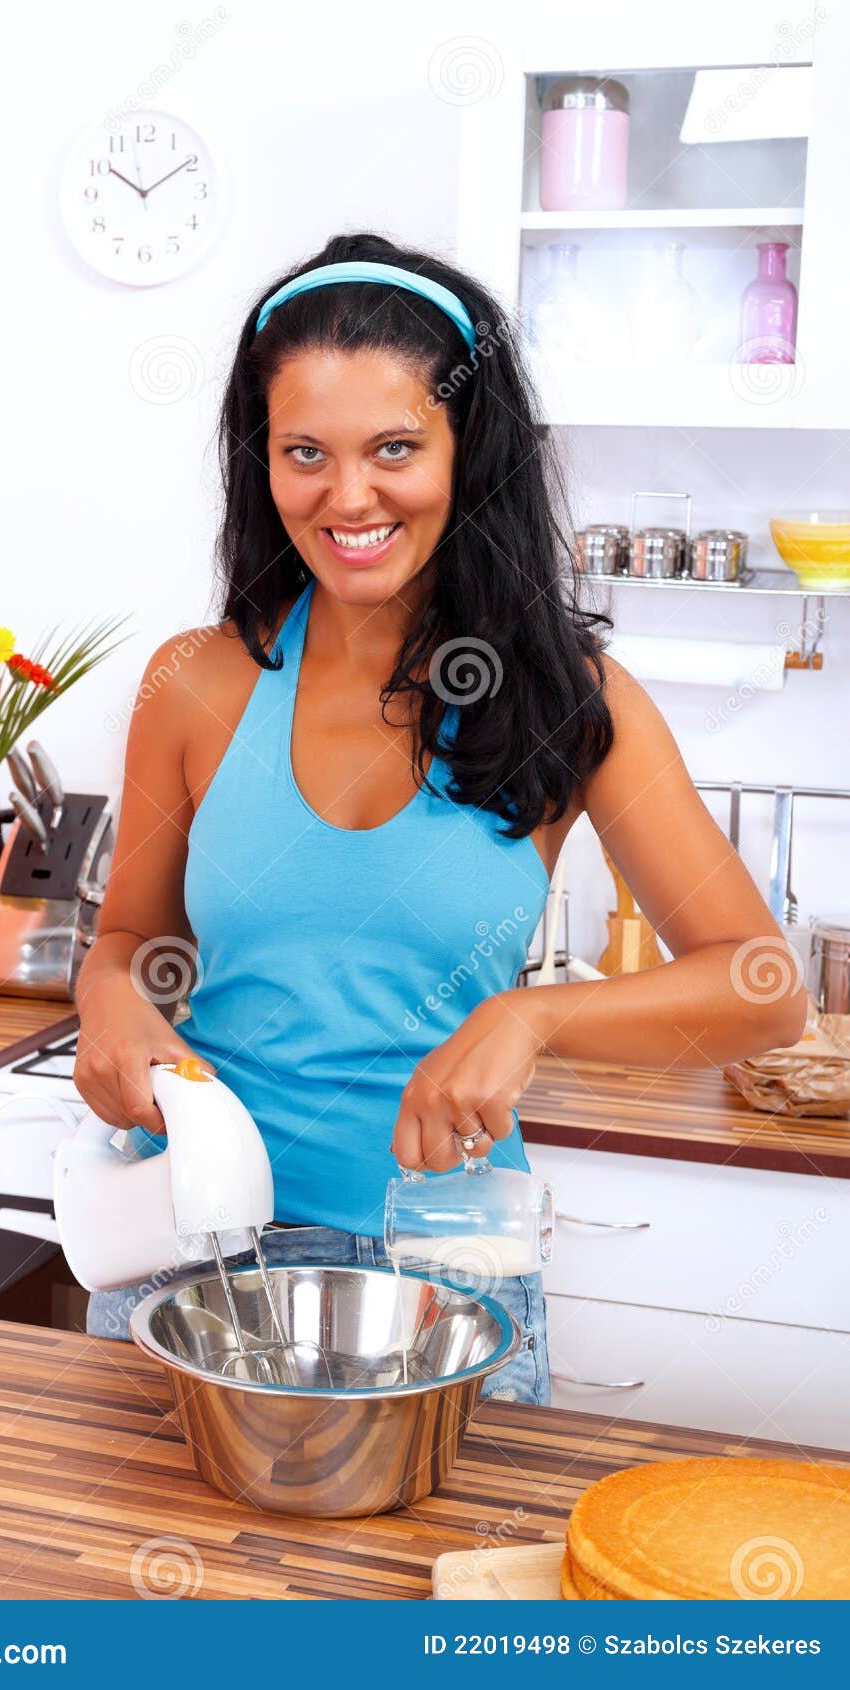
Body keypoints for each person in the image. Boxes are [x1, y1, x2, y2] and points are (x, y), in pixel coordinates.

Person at [73, 232, 805, 1399]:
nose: (346, 496)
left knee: (427, 1582)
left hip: (441, 1270)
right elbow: (127, 946)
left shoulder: (572, 702)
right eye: (303, 451)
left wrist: (532, 1019)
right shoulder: (191, 685)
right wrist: (109, 1005)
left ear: (470, 453)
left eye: (395, 449)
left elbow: (762, 988)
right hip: (191, 1248)